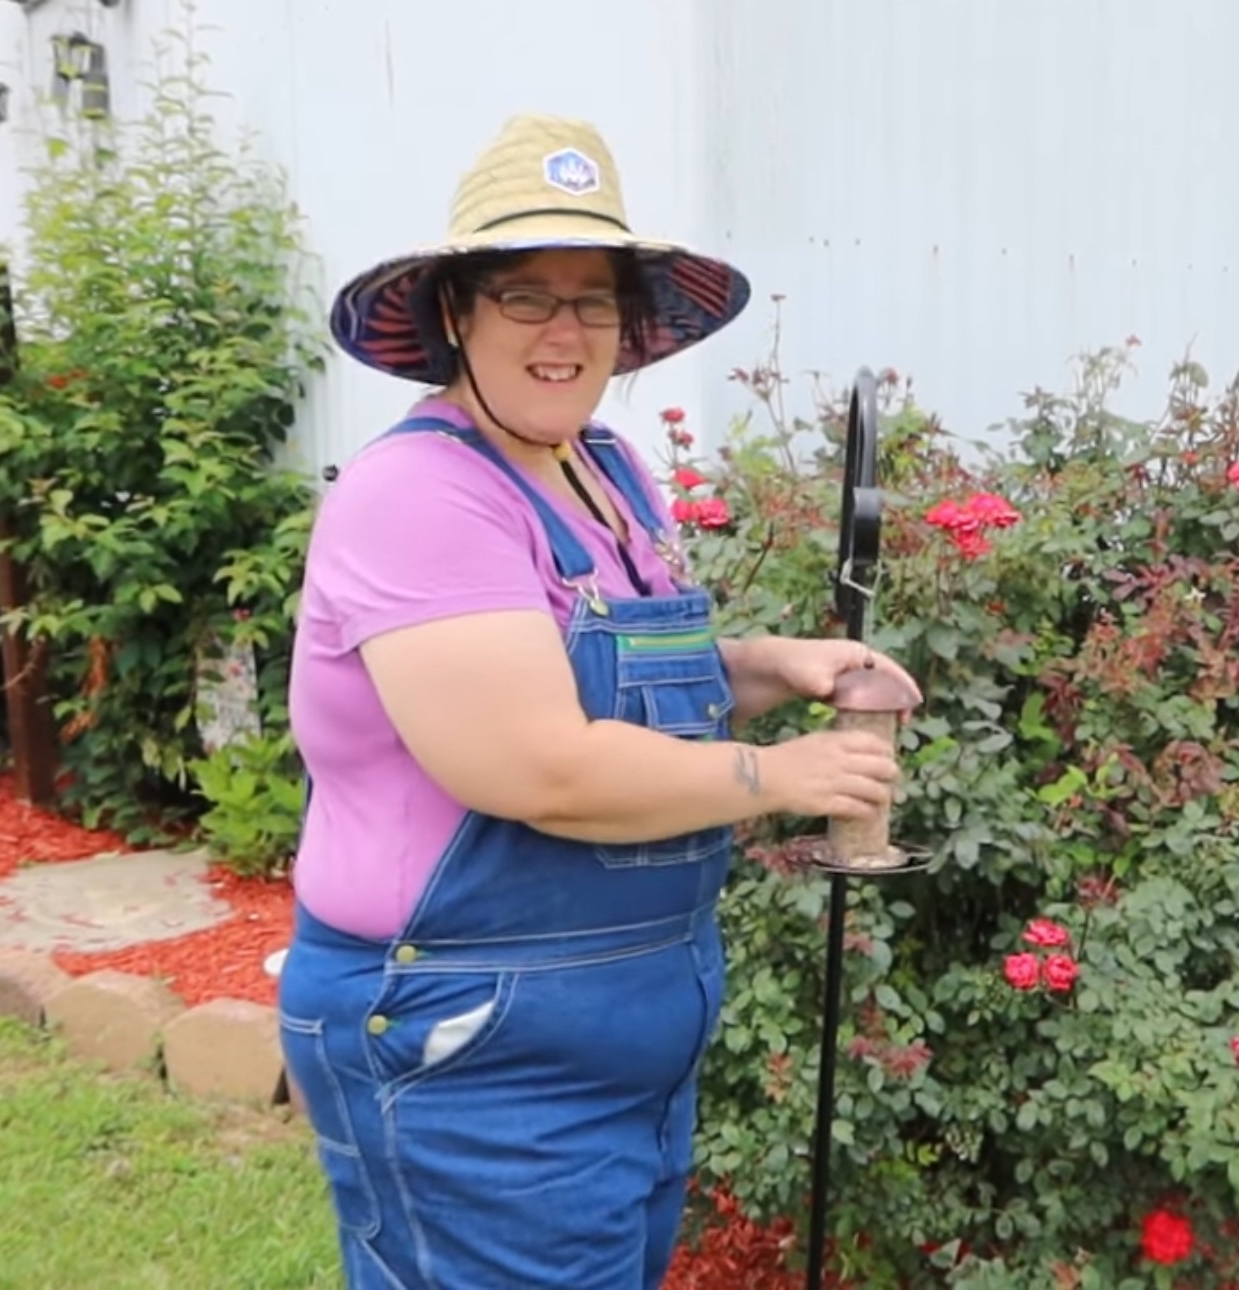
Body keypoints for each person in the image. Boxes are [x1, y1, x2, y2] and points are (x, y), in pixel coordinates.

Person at [278, 114, 917, 1290]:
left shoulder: (602, 470)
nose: (563, 331)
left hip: (627, 1018)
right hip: (471, 1037)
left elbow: (599, 680)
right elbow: (538, 766)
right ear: (455, 315)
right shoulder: (418, 496)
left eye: (593, 298)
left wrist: (771, 665)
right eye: (525, 295)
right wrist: (781, 780)